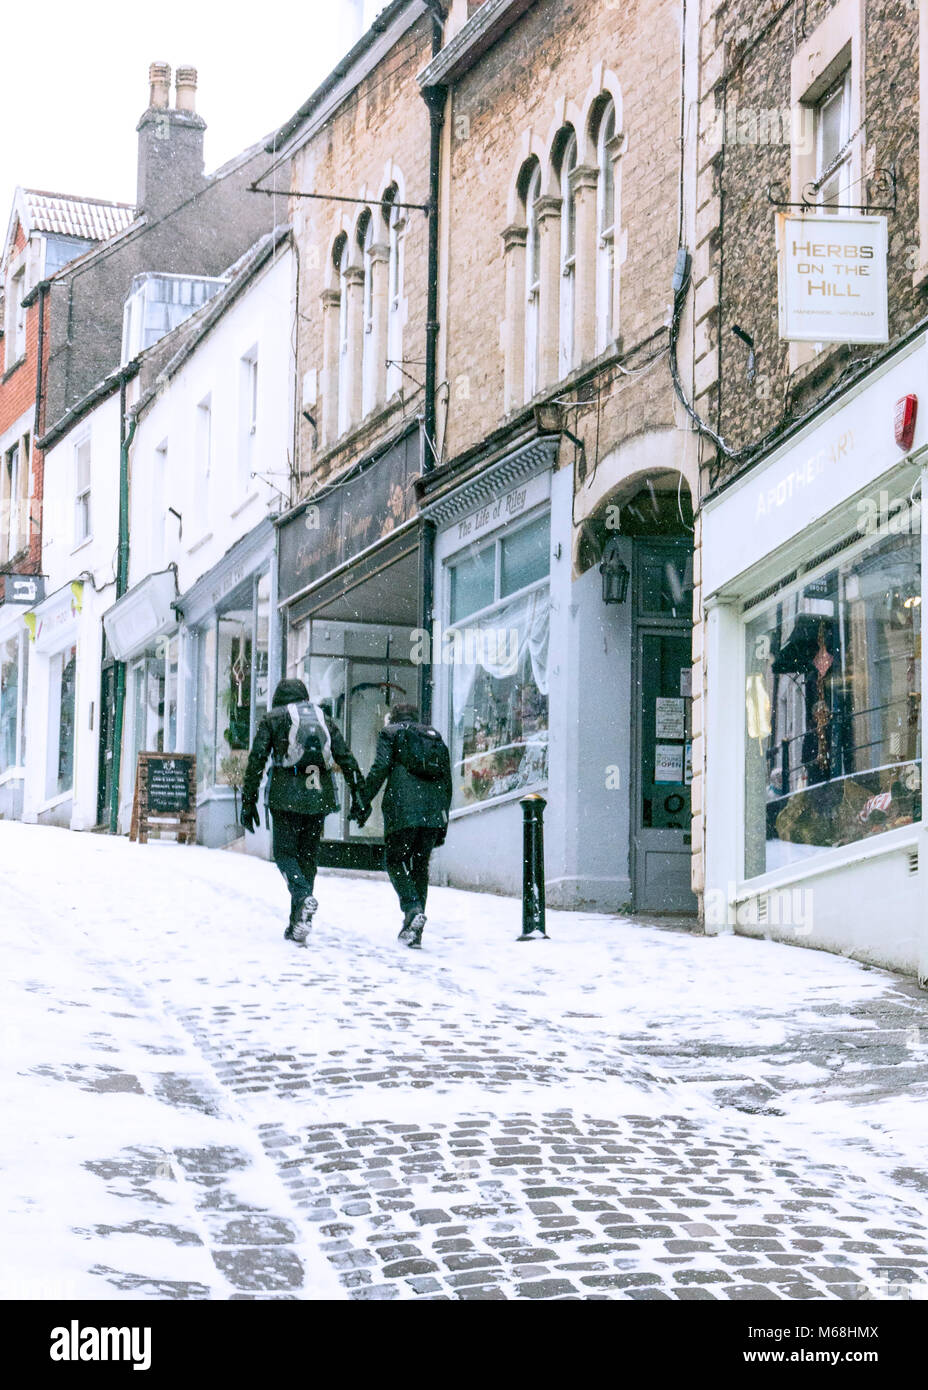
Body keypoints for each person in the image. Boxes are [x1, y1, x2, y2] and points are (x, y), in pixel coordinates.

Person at [240, 678, 368, 943]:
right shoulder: (324, 718)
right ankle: (298, 919)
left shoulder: (273, 718)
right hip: (318, 795)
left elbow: (256, 760)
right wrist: (359, 795)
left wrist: (248, 800)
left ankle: (301, 896)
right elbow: (345, 758)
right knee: (308, 856)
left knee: (285, 853)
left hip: (285, 794)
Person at [362, 703, 452, 949]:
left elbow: (380, 768)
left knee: (394, 860)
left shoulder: (391, 733)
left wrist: (362, 800)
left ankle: (412, 908)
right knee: (419, 866)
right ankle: (415, 929)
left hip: (403, 810)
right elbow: (447, 779)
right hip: (433, 813)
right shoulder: (434, 738)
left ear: (394, 717)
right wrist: (443, 820)